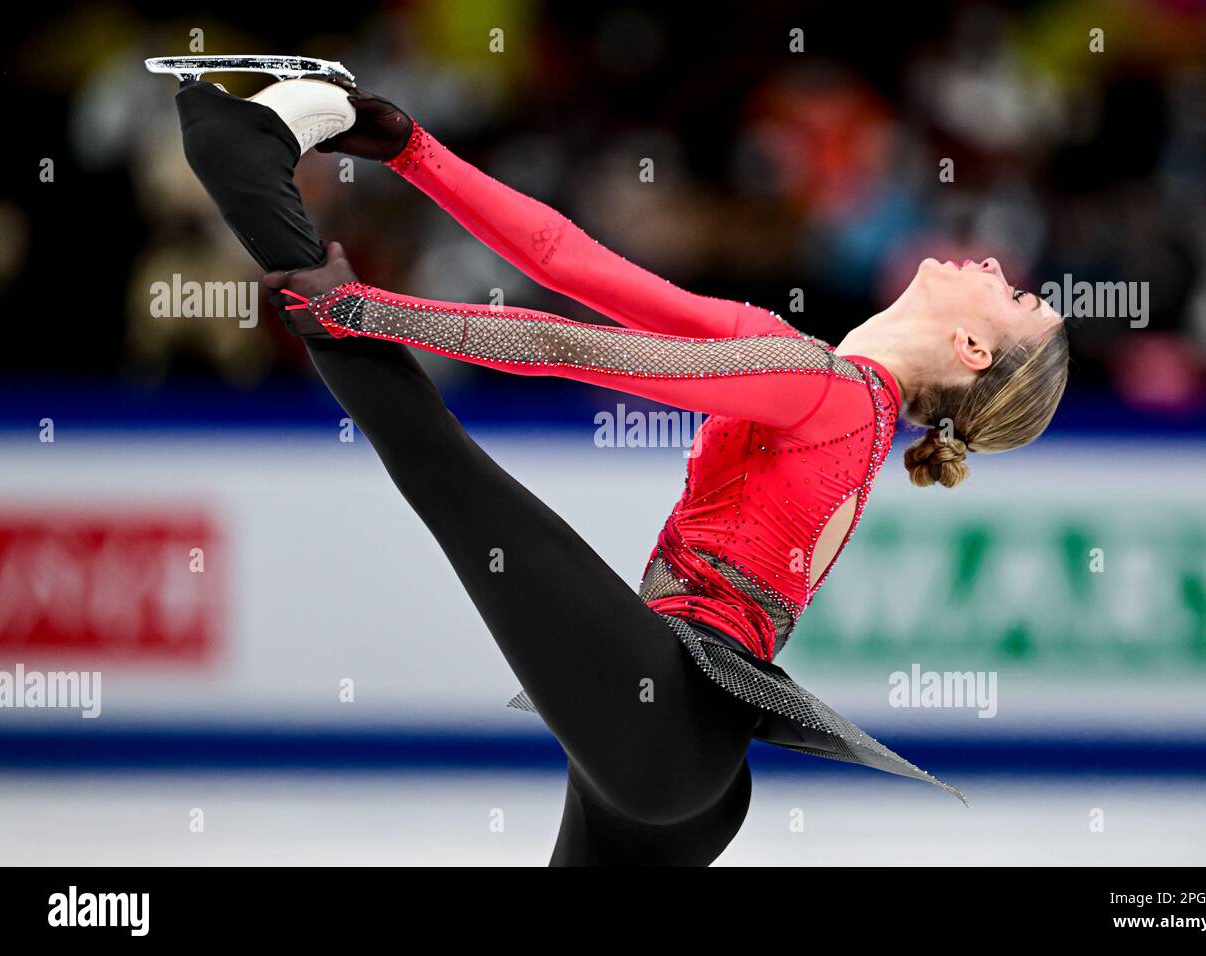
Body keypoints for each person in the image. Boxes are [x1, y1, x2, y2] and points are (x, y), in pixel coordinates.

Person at [172, 74, 1068, 865]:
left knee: (441, 464)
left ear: (973, 349)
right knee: (437, 462)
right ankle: (249, 169)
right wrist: (414, 150)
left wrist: (369, 309)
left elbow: (586, 354)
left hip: (667, 725)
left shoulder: (829, 391)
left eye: (1015, 297)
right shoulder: (800, 362)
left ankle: (245, 176)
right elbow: (571, 264)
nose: (996, 263)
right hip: (677, 763)